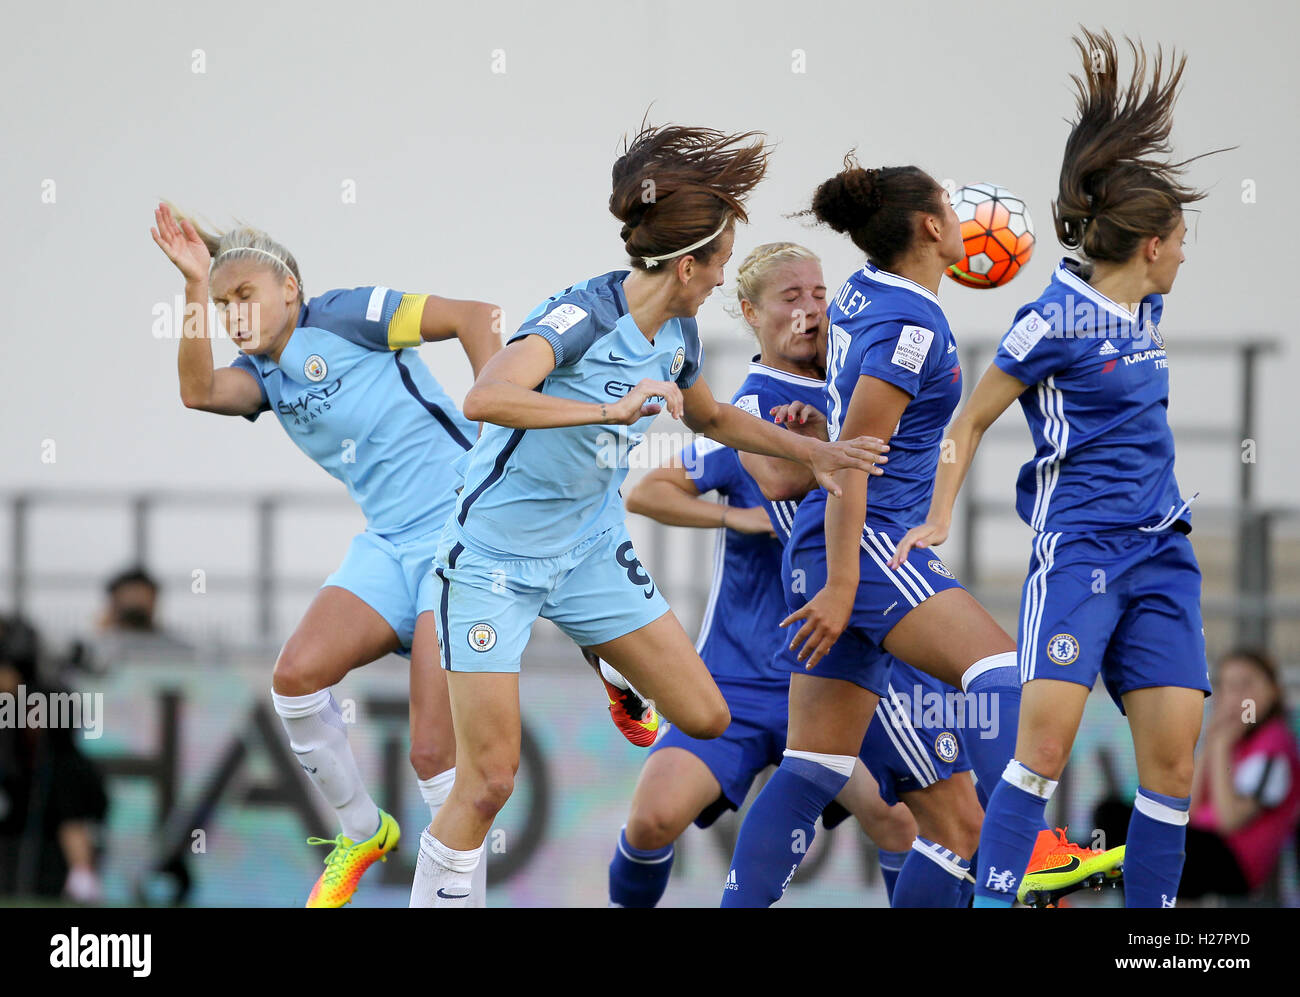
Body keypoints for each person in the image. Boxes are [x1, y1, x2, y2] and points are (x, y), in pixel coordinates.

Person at [414, 122, 889, 907]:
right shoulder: (581, 317)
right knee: (489, 780)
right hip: (496, 559)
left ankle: (610, 662)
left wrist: (817, 456)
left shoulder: (680, 333)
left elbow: (712, 420)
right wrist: (606, 408)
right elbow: (485, 396)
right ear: (686, 263)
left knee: (706, 716)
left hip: (591, 550)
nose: (722, 281)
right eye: (720, 265)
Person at [719, 150, 1118, 908]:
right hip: (865, 542)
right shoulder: (910, 323)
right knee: (1003, 673)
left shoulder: (869, 292)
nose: (967, 221)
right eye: (952, 206)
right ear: (932, 226)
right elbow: (856, 461)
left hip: (833, 541)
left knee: (814, 768)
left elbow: (846, 437)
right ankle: (1030, 851)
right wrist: (842, 583)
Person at [890, 29, 1219, 907]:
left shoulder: (1138, 309)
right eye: (1181, 237)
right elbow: (971, 419)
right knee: (1040, 753)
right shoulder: (1053, 320)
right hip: (1082, 555)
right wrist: (938, 516)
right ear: (1149, 245)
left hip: (1164, 556)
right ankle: (998, 901)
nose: (1188, 252)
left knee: (1175, 766)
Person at [151, 202, 505, 907]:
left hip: (458, 535)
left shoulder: (347, 313)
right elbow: (196, 390)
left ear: (291, 289)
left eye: (243, 296)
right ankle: (362, 830)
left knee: (437, 756)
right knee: (295, 676)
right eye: (223, 307)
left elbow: (477, 315)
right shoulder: (265, 379)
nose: (234, 316)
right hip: (388, 543)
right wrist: (193, 288)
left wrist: (502, 430)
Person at [606, 242, 918, 907]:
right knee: (652, 817)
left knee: (902, 822)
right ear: (750, 312)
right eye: (790, 297)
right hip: (740, 676)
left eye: (818, 294)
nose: (810, 310)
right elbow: (650, 488)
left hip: (834, 674)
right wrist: (737, 521)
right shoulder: (749, 406)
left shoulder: (860, 386)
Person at [1095, 650, 1300, 900]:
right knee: (1114, 815)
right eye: (1227, 687)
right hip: (1202, 841)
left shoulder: (1274, 747)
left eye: (1246, 684)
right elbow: (1187, 805)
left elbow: (1230, 820)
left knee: (1136, 840)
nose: (1237, 697)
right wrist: (1212, 742)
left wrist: (1222, 745)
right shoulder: (1238, 740)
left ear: (1273, 690)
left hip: (1232, 861)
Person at [0, 615, 108, 903]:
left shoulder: (47, 694)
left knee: (69, 809)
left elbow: (62, 732)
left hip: (58, 798)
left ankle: (82, 878)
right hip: (16, 804)